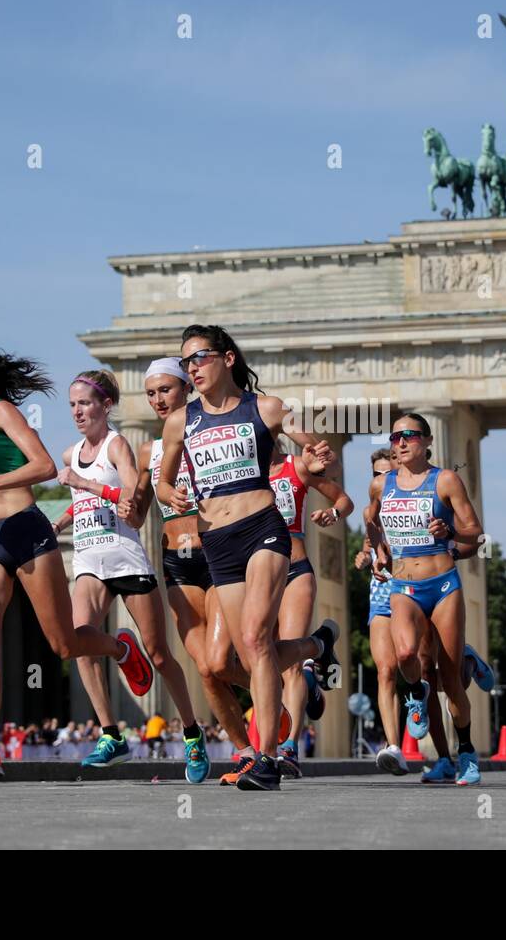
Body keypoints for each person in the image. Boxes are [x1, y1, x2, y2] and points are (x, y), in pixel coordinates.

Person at [0, 339, 149, 780]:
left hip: (26, 529)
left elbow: (45, 466)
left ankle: (118, 646)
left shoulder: (1, 412)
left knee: (63, 644)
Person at [156, 326, 341, 791]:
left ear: (228, 358)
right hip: (217, 541)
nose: (192, 368)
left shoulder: (266, 407)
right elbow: (162, 480)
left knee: (257, 639)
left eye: (199, 357)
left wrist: (318, 458)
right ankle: (317, 647)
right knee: (248, 653)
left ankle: (266, 759)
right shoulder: (181, 420)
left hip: (262, 530)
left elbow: (312, 447)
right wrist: (170, 493)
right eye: (186, 363)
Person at [52, 368, 208, 781]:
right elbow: (81, 501)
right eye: (72, 404)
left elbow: (132, 498)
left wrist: (85, 483)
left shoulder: (118, 445)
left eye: (85, 403)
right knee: (75, 640)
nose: (77, 412)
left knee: (159, 654)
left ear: (106, 405)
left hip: (123, 556)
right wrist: (61, 520)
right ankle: (111, 733)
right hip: (87, 558)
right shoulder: (71, 454)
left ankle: (192, 735)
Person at [368, 413, 486, 786]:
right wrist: (379, 551)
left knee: (451, 683)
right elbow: (372, 521)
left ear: (427, 440)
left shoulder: (445, 479)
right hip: (404, 587)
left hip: (443, 584)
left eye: (409, 436)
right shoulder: (381, 484)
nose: (401, 443)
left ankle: (465, 752)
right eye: (395, 437)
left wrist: (450, 530)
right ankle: (417, 692)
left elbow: (476, 532)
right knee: (405, 656)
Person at [268, 438, 354, 778]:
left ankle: (287, 747)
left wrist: (333, 512)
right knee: (259, 658)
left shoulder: (296, 466)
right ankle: (318, 650)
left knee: (286, 662)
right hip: (254, 576)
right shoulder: (240, 473)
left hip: (294, 569)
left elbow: (343, 499)